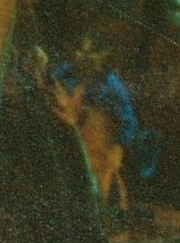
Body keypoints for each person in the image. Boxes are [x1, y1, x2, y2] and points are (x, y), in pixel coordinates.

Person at [49, 34, 139, 213]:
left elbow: (130, 122)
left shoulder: (112, 87)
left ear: (103, 56)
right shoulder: (63, 73)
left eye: (90, 54)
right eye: (81, 52)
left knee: (97, 184)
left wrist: (118, 148)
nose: (83, 57)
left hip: (97, 147)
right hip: (64, 136)